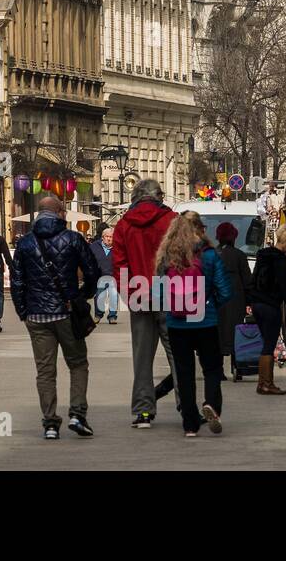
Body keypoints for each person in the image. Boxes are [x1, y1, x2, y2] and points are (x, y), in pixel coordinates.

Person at [11, 194, 102, 439]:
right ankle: (77, 414)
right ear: (61, 213)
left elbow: (17, 280)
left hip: (37, 315)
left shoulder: (25, 243)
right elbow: (93, 271)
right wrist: (83, 295)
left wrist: (23, 310)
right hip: (67, 313)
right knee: (78, 363)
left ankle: (50, 423)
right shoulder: (73, 239)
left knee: (45, 371)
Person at [111, 178, 178, 428]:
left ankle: (143, 412)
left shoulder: (124, 225)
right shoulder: (172, 220)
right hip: (170, 295)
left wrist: (128, 293)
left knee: (142, 357)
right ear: (158, 196)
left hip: (139, 294)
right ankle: (186, 405)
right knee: (177, 354)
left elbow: (120, 265)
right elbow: (183, 257)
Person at [158, 211, 231, 437]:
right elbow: (225, 291)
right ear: (200, 229)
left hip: (177, 324)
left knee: (184, 372)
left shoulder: (166, 256)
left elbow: (159, 290)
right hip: (205, 321)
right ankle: (212, 405)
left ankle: (190, 425)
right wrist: (210, 305)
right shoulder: (209, 255)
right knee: (211, 368)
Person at [248, 224, 286, 396]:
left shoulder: (262, 254)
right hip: (270, 306)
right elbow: (284, 287)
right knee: (269, 345)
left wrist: (250, 300)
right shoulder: (282, 260)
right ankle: (266, 383)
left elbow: (254, 279)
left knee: (266, 342)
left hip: (257, 305)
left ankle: (263, 383)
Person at [214, 221, 253, 381]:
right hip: (236, 299)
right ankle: (238, 367)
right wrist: (249, 302)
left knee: (217, 333)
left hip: (216, 298)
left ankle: (218, 369)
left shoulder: (212, 254)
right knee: (236, 332)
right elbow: (247, 281)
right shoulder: (239, 255)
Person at [91, 226, 118, 323]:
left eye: (111, 237)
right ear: (102, 237)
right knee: (99, 296)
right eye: (107, 236)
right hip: (99, 277)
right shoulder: (94, 246)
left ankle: (112, 316)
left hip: (113, 277)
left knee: (113, 295)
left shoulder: (118, 248)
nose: (109, 238)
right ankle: (98, 315)